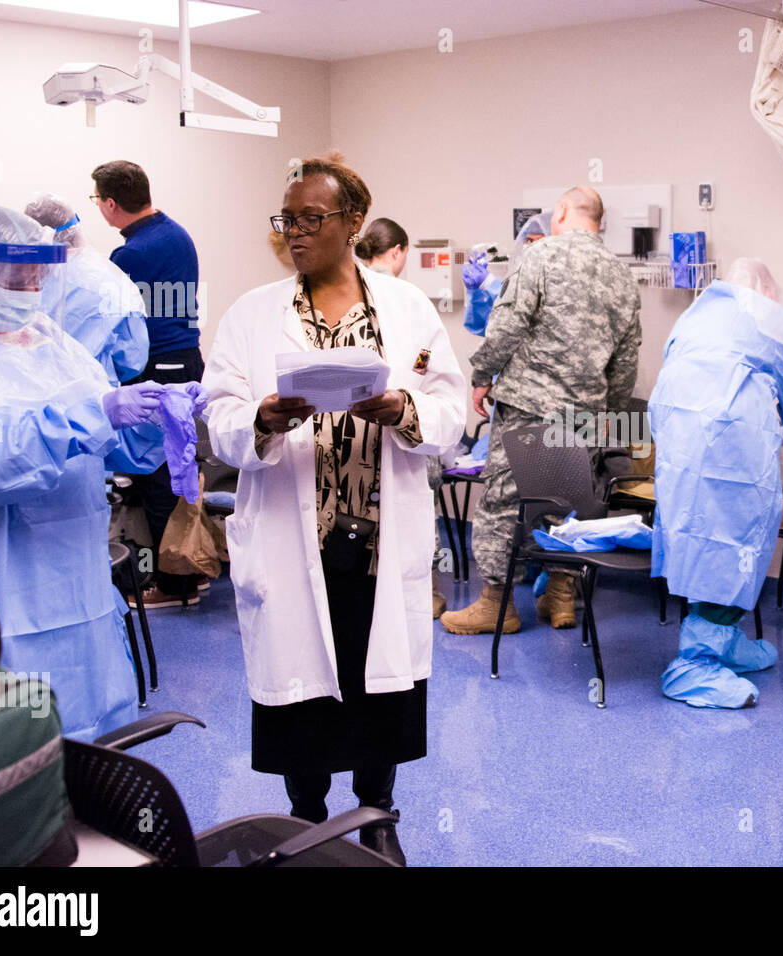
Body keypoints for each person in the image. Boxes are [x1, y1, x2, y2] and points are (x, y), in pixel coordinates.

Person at [202, 156, 465, 864]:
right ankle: (304, 823)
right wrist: (260, 418)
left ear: (352, 223)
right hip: (297, 540)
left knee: (380, 686)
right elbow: (217, 412)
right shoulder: (253, 314)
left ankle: (377, 816)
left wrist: (404, 409)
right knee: (303, 695)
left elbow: (452, 409)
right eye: (286, 219)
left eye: (312, 218)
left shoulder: (407, 310)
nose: (295, 232)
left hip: (380, 537)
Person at [0, 205, 169, 741]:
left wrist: (157, 421)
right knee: (5, 758)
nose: (32, 289)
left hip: (80, 593)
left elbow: (113, 448)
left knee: (94, 752)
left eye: (38, 276)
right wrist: (86, 419)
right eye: (18, 278)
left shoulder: (52, 340)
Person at [440, 186, 641, 635]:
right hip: (584, 415)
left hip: (530, 408)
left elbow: (509, 323)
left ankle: (497, 605)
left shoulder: (541, 256)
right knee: (569, 505)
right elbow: (627, 358)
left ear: (563, 211)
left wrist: (482, 375)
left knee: (502, 503)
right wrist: (609, 413)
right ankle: (561, 598)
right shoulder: (622, 276)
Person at [650, 259, 783, 708]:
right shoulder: (765, 316)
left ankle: (722, 643)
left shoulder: (696, 313)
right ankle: (695, 667)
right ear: (766, 289)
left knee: (699, 541)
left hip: (679, 440)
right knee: (735, 543)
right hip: (730, 441)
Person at [91, 160, 203, 608]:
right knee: (180, 471)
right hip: (185, 361)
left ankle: (174, 586)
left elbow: (114, 322)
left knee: (160, 474)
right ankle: (193, 570)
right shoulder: (176, 234)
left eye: (97, 200)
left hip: (159, 368)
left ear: (110, 203)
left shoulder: (129, 256)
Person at [356, 215, 448, 618]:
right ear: (396, 252)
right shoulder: (407, 298)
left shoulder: (345, 290)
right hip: (401, 421)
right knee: (417, 509)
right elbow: (425, 364)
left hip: (354, 439)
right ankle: (425, 593)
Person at [23, 191, 149, 386]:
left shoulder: (20, 281)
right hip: (95, 400)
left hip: (36, 394)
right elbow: (133, 360)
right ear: (75, 226)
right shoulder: (114, 281)